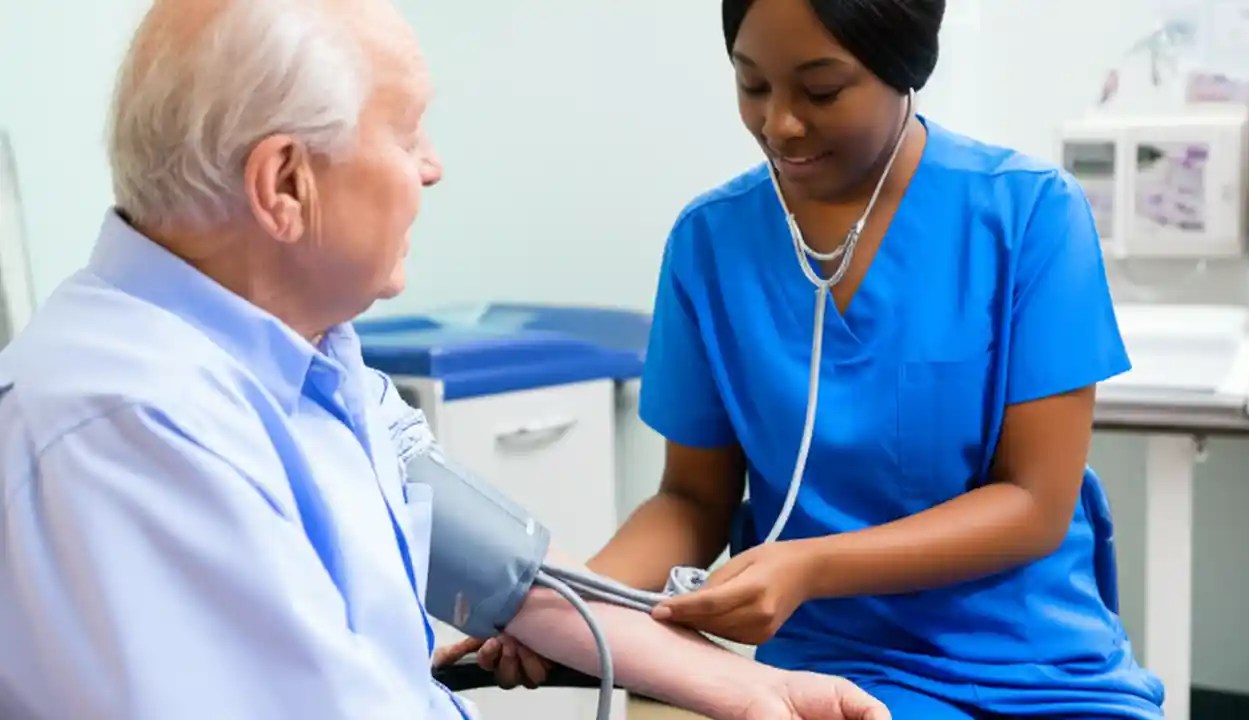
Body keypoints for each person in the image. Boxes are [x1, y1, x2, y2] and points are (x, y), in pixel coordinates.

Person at [0, 1, 893, 719]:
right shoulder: (129, 434)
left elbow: (501, 575)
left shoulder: (302, 351)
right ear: (284, 184)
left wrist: (754, 690)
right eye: (405, 134)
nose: (430, 168)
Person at [436, 0, 1167, 718]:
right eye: (752, 84)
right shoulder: (710, 243)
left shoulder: (1031, 214)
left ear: (903, 66)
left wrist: (811, 568)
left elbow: (1036, 505)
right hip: (830, 676)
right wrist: (564, 607)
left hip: (1037, 667)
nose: (779, 123)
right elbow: (692, 500)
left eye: (821, 90)